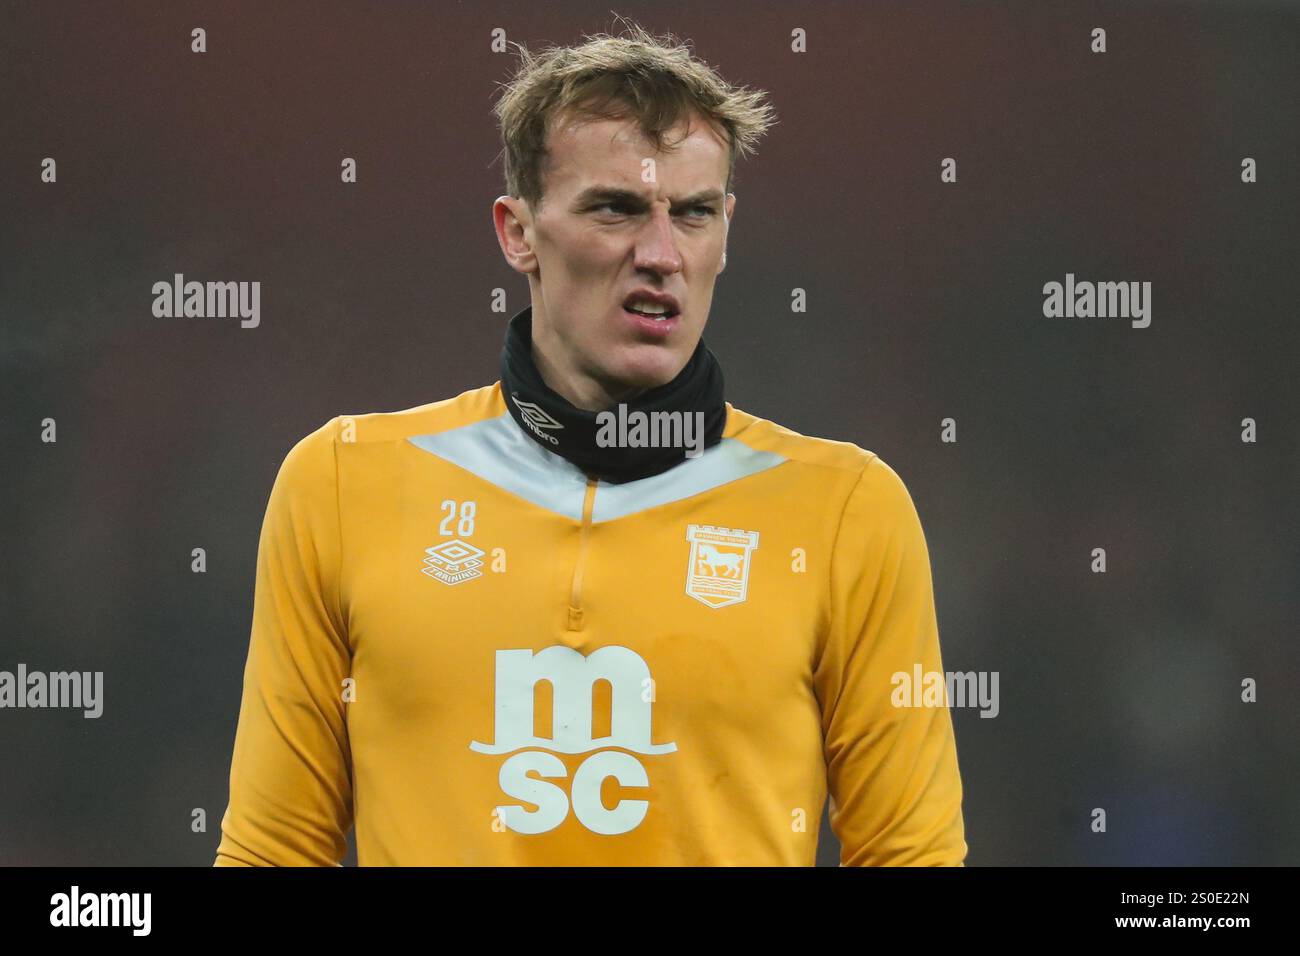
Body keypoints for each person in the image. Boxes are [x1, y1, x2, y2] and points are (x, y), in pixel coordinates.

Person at [214, 21, 967, 867]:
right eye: (614, 208)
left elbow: (912, 859)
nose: (661, 254)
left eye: (693, 214)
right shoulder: (343, 484)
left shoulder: (847, 511)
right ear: (518, 233)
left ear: (726, 232)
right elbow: (272, 853)